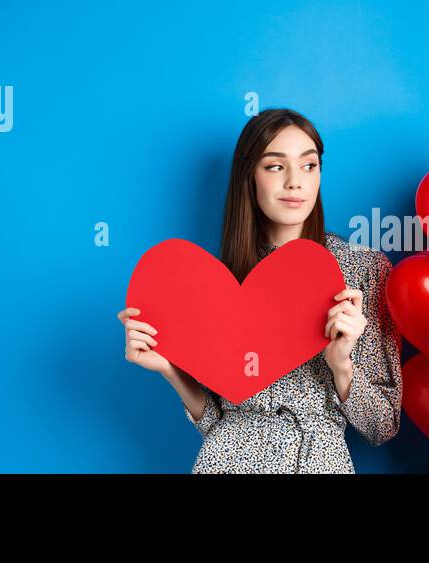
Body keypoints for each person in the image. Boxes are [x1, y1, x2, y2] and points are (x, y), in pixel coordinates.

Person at [116, 108, 403, 473]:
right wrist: (170, 369)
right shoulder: (217, 282)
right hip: (227, 460)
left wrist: (341, 366)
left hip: (319, 461)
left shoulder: (363, 270)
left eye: (309, 165)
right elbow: (215, 421)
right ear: (249, 176)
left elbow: (383, 426)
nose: (295, 182)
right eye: (275, 166)